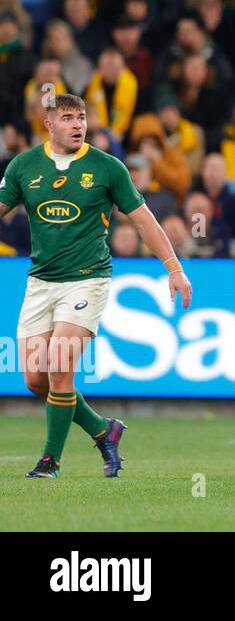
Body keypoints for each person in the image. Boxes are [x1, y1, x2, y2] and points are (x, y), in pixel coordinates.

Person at [0, 93, 193, 478]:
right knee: (36, 379)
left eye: (82, 117)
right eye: (68, 117)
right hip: (41, 282)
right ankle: (104, 430)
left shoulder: (107, 168)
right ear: (49, 124)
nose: (77, 124)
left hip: (87, 281)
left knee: (59, 367)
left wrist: (175, 268)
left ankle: (49, 461)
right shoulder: (24, 166)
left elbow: (144, 221)